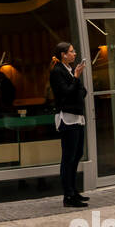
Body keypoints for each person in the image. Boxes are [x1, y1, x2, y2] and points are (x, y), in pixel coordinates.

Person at [49, 42, 88, 207]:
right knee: (68, 158)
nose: (75, 53)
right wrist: (77, 77)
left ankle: (74, 190)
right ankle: (68, 196)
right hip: (67, 118)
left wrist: (75, 80)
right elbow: (66, 93)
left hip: (78, 116)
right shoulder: (57, 72)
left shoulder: (70, 70)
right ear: (63, 54)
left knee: (77, 155)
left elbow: (82, 92)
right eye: (72, 51)